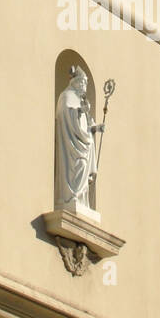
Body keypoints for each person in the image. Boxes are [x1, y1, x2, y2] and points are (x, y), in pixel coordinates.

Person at [55, 66, 104, 212]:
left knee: (84, 165)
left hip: (83, 144)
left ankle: (81, 199)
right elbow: (65, 114)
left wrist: (96, 128)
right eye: (82, 83)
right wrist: (80, 111)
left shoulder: (80, 100)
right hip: (71, 144)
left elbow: (87, 125)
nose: (84, 87)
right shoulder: (67, 96)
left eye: (85, 84)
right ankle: (71, 196)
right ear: (75, 82)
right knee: (80, 165)